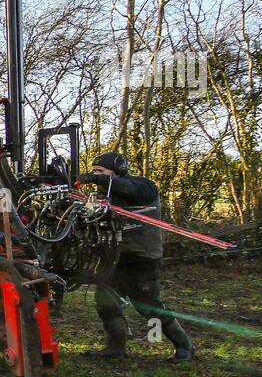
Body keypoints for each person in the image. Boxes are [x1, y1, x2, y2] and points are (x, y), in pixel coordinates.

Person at [78, 152, 194, 363]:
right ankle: (115, 347)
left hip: (142, 257)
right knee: (106, 303)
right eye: (94, 172)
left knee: (147, 305)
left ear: (118, 171)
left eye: (101, 172)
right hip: (115, 258)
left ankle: (184, 346)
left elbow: (130, 189)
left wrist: (96, 179)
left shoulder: (143, 186)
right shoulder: (105, 196)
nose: (97, 176)